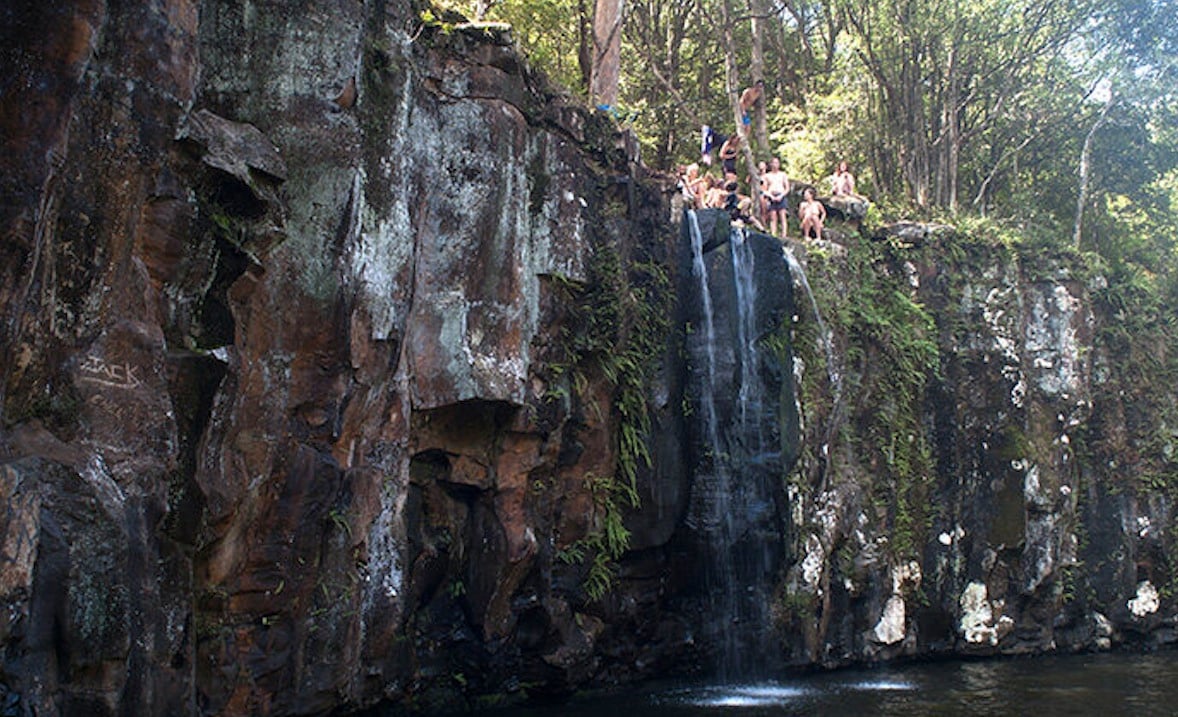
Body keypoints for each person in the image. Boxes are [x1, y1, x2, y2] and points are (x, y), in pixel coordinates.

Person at [762, 157, 791, 238]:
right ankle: (773, 234)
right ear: (771, 164)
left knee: (782, 216)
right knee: (773, 216)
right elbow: (764, 189)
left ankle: (784, 234)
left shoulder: (783, 174)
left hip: (781, 194)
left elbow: (787, 188)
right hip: (771, 196)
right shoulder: (767, 176)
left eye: (777, 163)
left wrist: (782, 195)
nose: (775, 165)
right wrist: (770, 196)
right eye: (773, 163)